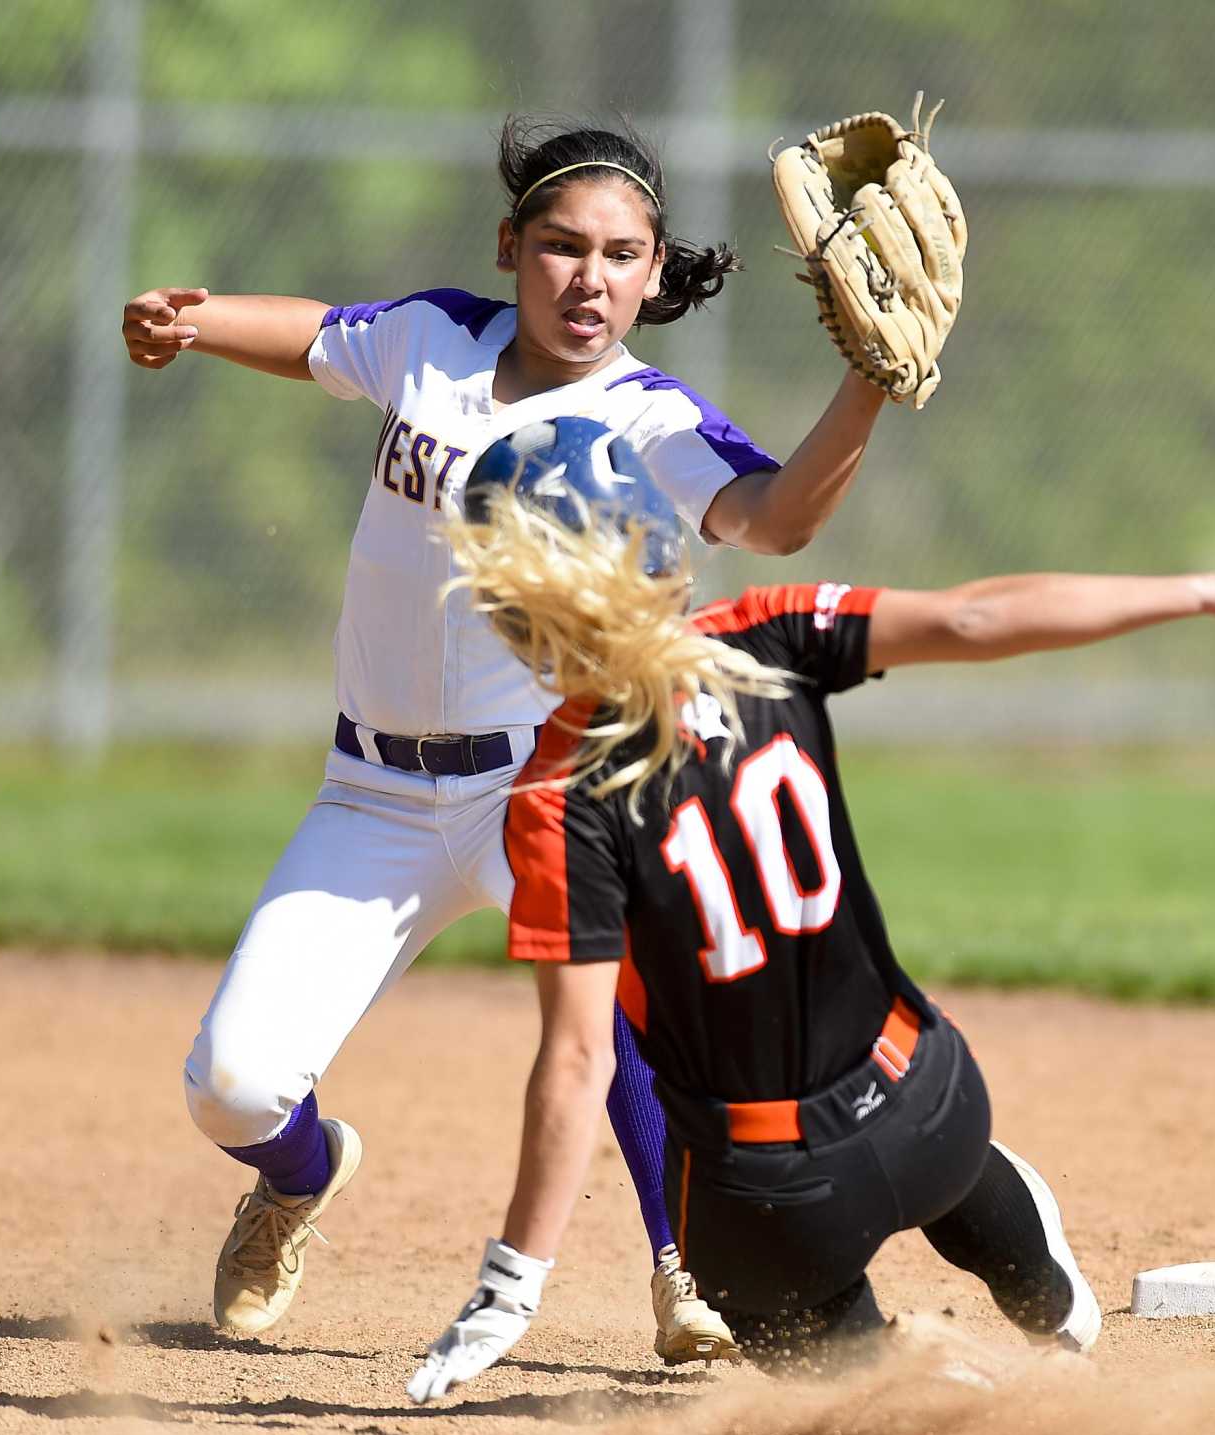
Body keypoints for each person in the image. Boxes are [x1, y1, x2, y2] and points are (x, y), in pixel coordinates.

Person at [121, 117, 896, 1359]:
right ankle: (296, 1180)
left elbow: (776, 519)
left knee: (644, 1011)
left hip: (541, 785)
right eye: (559, 245)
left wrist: (865, 388)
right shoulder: (433, 340)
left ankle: (683, 1271)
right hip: (372, 794)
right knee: (232, 1087)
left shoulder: (651, 421)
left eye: (619, 253)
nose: (586, 277)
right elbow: (321, 334)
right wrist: (192, 321)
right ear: (510, 247)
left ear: (652, 274)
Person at [405, 416, 1215, 1399]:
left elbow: (578, 1058)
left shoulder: (554, 796)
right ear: (659, 543)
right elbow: (979, 619)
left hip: (768, 1198)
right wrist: (1206, 589)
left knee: (808, 1345)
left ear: (508, 612)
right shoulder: (766, 635)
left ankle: (908, 1377)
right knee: (951, 1159)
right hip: (924, 1103)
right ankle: (1039, 1290)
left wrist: (512, 1283)